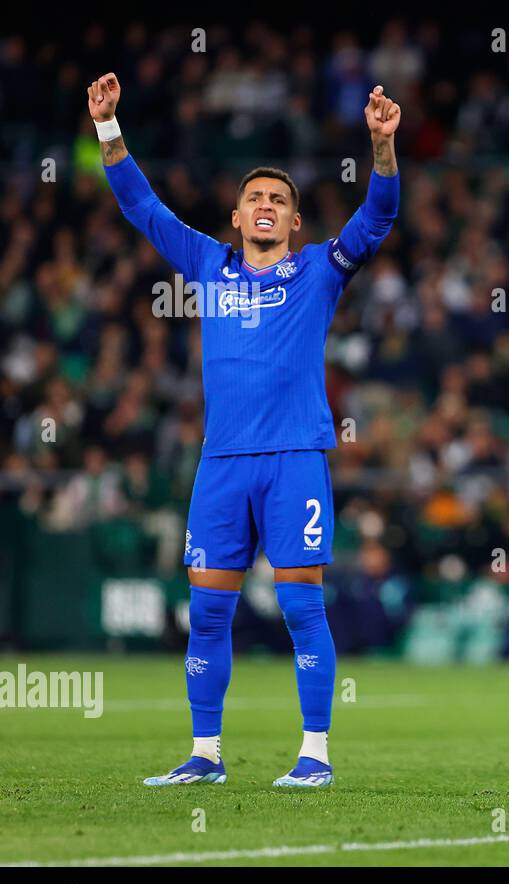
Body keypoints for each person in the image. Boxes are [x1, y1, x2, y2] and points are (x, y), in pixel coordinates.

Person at [88, 72, 400, 788]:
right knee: (207, 614)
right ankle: (206, 755)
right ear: (235, 217)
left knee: (298, 604)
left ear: (295, 223)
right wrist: (108, 128)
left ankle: (315, 756)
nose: (266, 206)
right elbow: (142, 205)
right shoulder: (208, 264)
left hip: (294, 459)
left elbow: (378, 217)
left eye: (280, 201)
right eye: (255, 198)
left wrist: (382, 146)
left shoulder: (322, 269)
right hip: (222, 464)